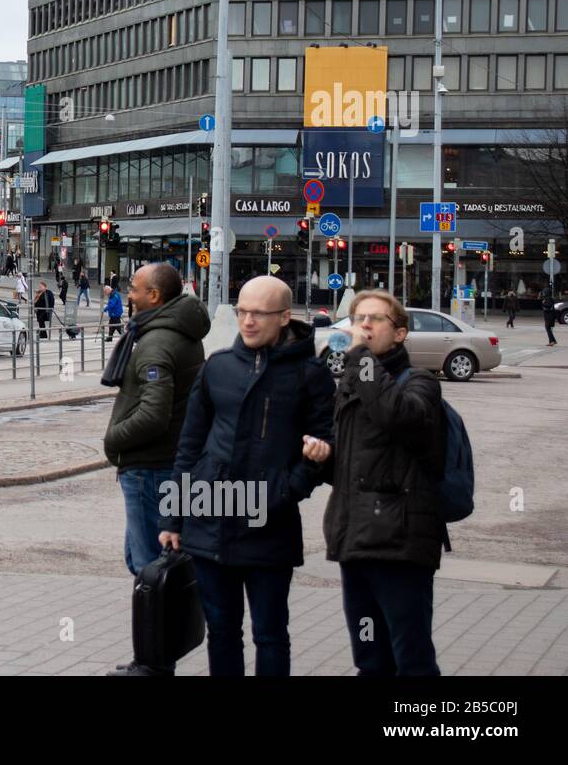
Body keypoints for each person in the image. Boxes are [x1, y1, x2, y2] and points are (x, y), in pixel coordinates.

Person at [158, 275, 335, 677]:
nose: (248, 321)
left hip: (269, 524)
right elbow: (189, 446)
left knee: (271, 634)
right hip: (209, 522)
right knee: (221, 632)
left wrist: (289, 488)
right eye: (242, 311)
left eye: (259, 313)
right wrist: (172, 516)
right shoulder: (217, 367)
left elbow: (323, 448)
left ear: (285, 317)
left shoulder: (311, 376)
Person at [301, 290, 445, 676]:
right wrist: (324, 457)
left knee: (410, 656)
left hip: (399, 540)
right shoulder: (352, 382)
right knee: (369, 654)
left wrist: (360, 357)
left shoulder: (420, 385)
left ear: (399, 334)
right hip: (355, 539)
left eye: (376, 319)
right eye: (358, 317)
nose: (363, 325)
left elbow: (395, 416)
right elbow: (351, 464)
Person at [104, 264, 211, 676]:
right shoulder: (178, 330)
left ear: (156, 297)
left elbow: (154, 412)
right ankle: (155, 656)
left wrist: (114, 439)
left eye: (135, 288)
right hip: (163, 462)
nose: (129, 293)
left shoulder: (156, 342)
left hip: (148, 466)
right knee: (149, 561)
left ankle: (154, 662)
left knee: (151, 568)